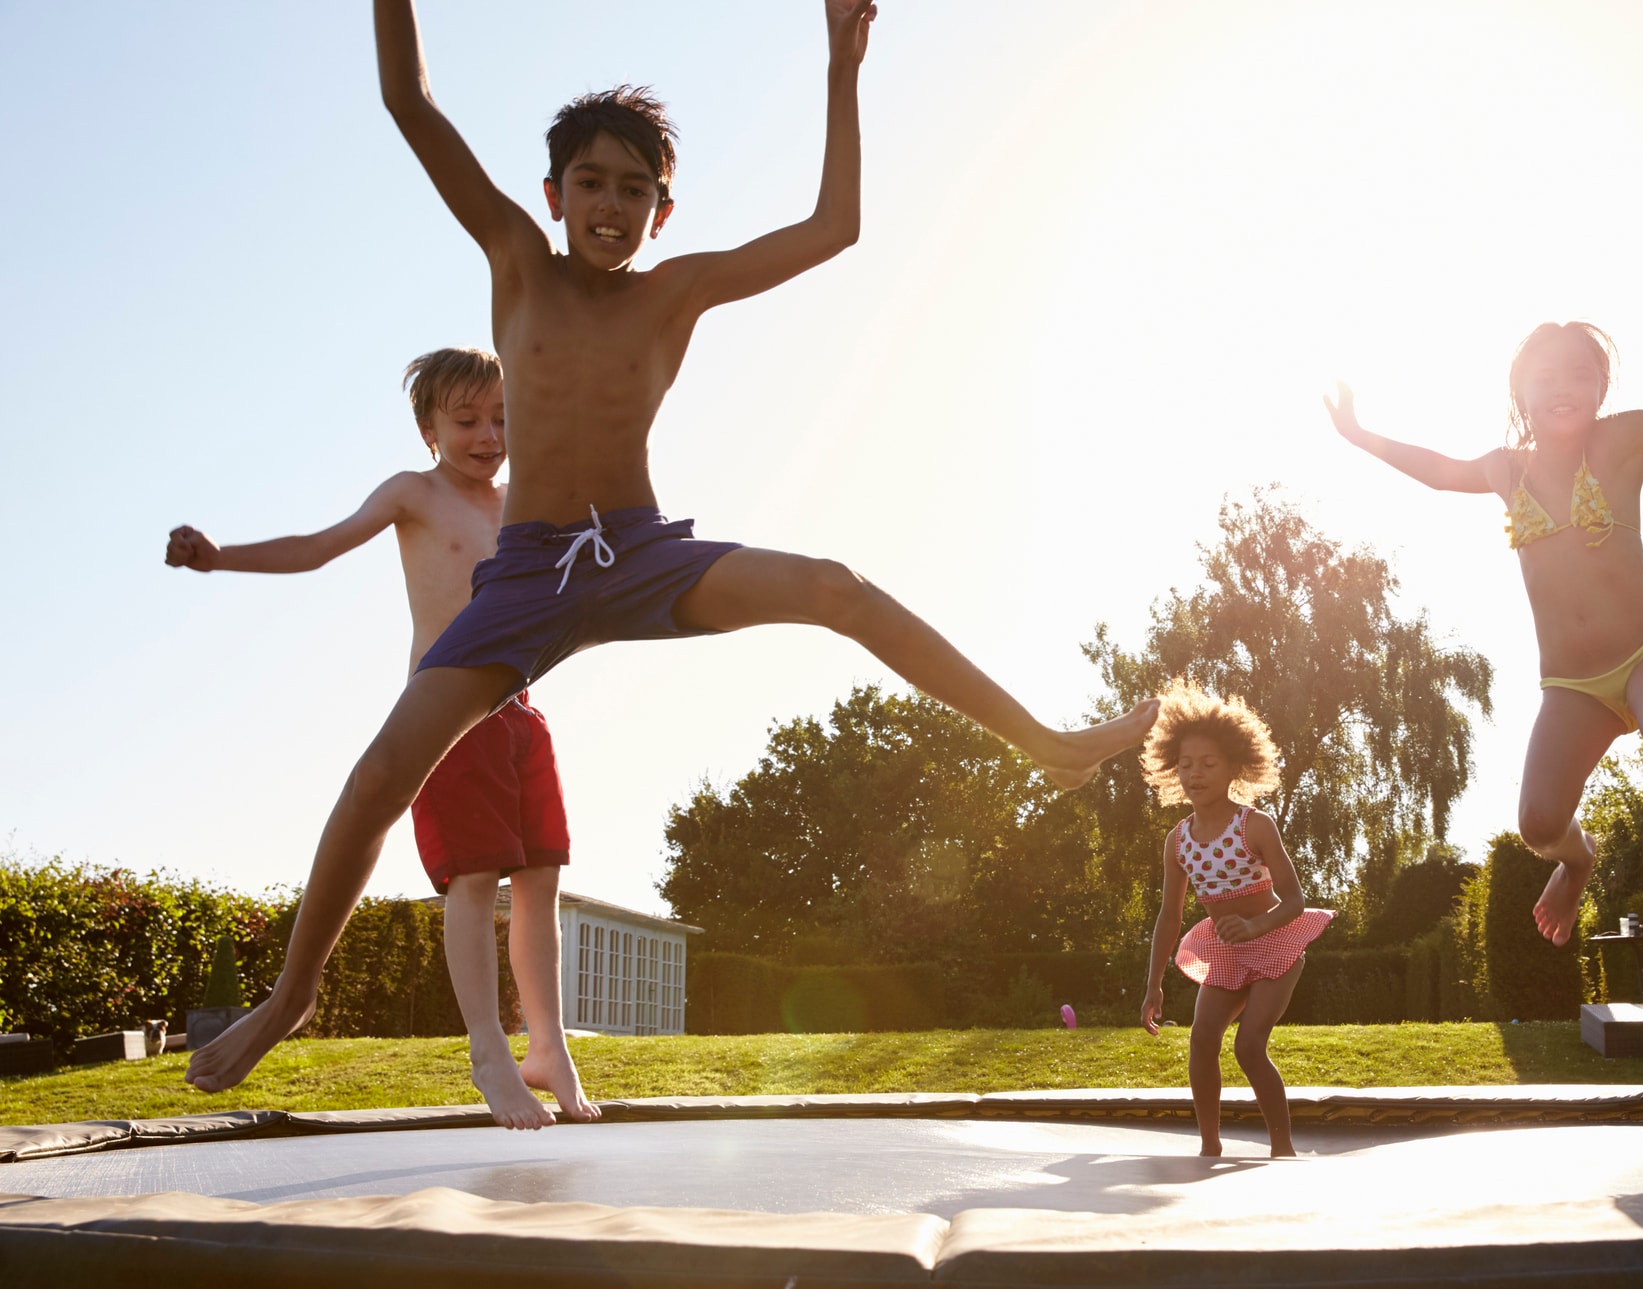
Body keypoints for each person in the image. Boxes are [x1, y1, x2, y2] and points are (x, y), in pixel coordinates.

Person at [184, 0, 1156, 1094]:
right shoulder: (516, 261)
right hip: (528, 572)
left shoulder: (677, 289)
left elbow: (833, 229)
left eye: (634, 190)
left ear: (662, 208)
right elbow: (408, 101)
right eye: (590, 183)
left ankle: (1044, 741)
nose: (611, 205)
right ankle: (292, 995)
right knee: (377, 777)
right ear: (553, 197)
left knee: (837, 587)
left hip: (638, 553)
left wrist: (840, 66)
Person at [1324, 240, 1643, 945]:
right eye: (1545, 375)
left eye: (1581, 374)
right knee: (1538, 824)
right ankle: (1578, 862)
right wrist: (1360, 435)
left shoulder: (1619, 442)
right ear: (1519, 391)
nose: (1564, 386)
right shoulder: (1505, 470)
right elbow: (1437, 470)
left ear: (1600, 390)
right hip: (1573, 686)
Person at [167, 349, 596, 1128]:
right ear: (428, 429)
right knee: (474, 879)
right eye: (466, 421)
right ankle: (488, 1053)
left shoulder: (524, 505)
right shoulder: (414, 493)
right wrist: (221, 559)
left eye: (502, 419)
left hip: (522, 713)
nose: (487, 435)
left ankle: (549, 1046)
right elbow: (318, 546)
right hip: (447, 716)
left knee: (541, 879)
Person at [1138, 681, 1332, 1158]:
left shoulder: (1255, 825)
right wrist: (1154, 984)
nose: (1195, 773)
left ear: (1233, 767)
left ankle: (1283, 1149)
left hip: (1274, 941)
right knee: (1202, 1040)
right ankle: (1210, 1147)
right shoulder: (1177, 841)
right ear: (1172, 769)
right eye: (1186, 764)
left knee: (1248, 1046)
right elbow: (1169, 916)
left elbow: (1294, 901)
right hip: (1225, 950)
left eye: (1208, 764)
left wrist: (1254, 927)